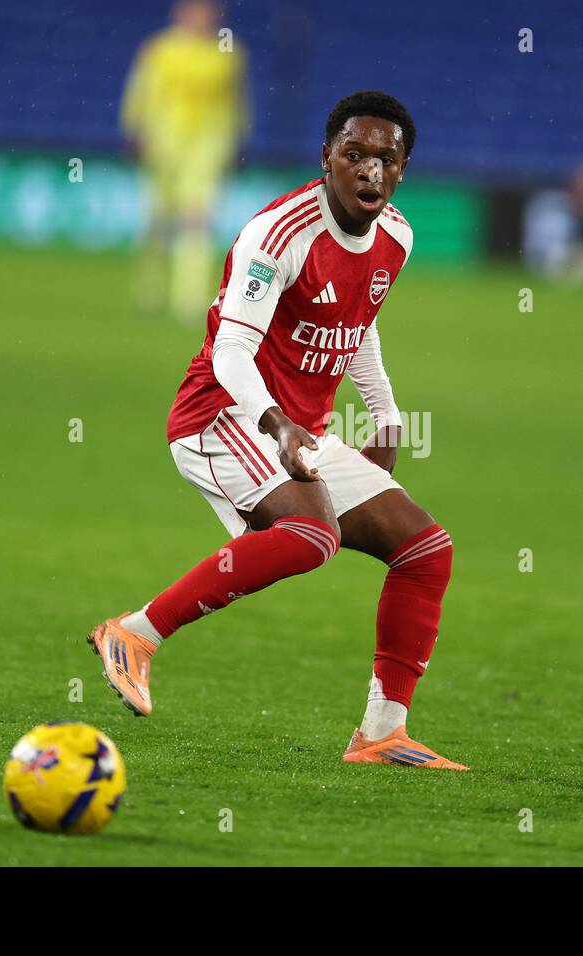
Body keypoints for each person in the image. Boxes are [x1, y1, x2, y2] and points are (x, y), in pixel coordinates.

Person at [90, 90, 467, 770]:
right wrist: (279, 424)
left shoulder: (397, 238)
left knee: (425, 550)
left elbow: (357, 321)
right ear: (327, 158)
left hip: (298, 430)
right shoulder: (279, 234)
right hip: (222, 414)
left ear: (403, 168)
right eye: (354, 155)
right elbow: (231, 351)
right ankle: (135, 633)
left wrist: (385, 413)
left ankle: (381, 733)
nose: (369, 171)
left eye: (386, 159)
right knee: (311, 535)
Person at [120, 0, 247, 321]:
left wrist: (235, 141)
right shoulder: (160, 50)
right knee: (158, 219)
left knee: (197, 220)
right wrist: (135, 130)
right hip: (163, 143)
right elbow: (141, 91)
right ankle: (151, 290)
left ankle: (189, 299)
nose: (198, 19)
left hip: (206, 147)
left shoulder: (228, 54)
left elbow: (236, 102)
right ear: (179, 14)